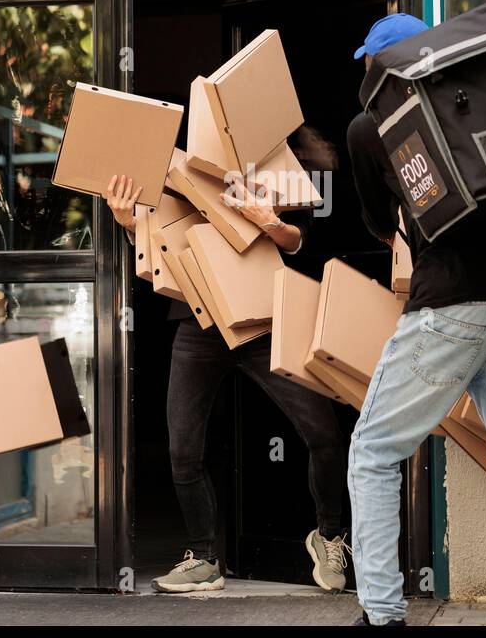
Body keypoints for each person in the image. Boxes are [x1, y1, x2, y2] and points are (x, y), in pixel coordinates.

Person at [344, 13, 486, 627]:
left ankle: (382, 613)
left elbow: (376, 219)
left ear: (381, 66)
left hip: (450, 306)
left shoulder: (370, 128)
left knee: (373, 451)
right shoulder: (485, 105)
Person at [104, 169, 350, 593]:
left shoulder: (276, 162)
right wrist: (130, 224)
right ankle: (204, 559)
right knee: (182, 449)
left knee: (323, 432)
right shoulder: (183, 164)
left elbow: (298, 239)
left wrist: (267, 220)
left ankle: (327, 537)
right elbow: (163, 234)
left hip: (264, 320)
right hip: (198, 320)